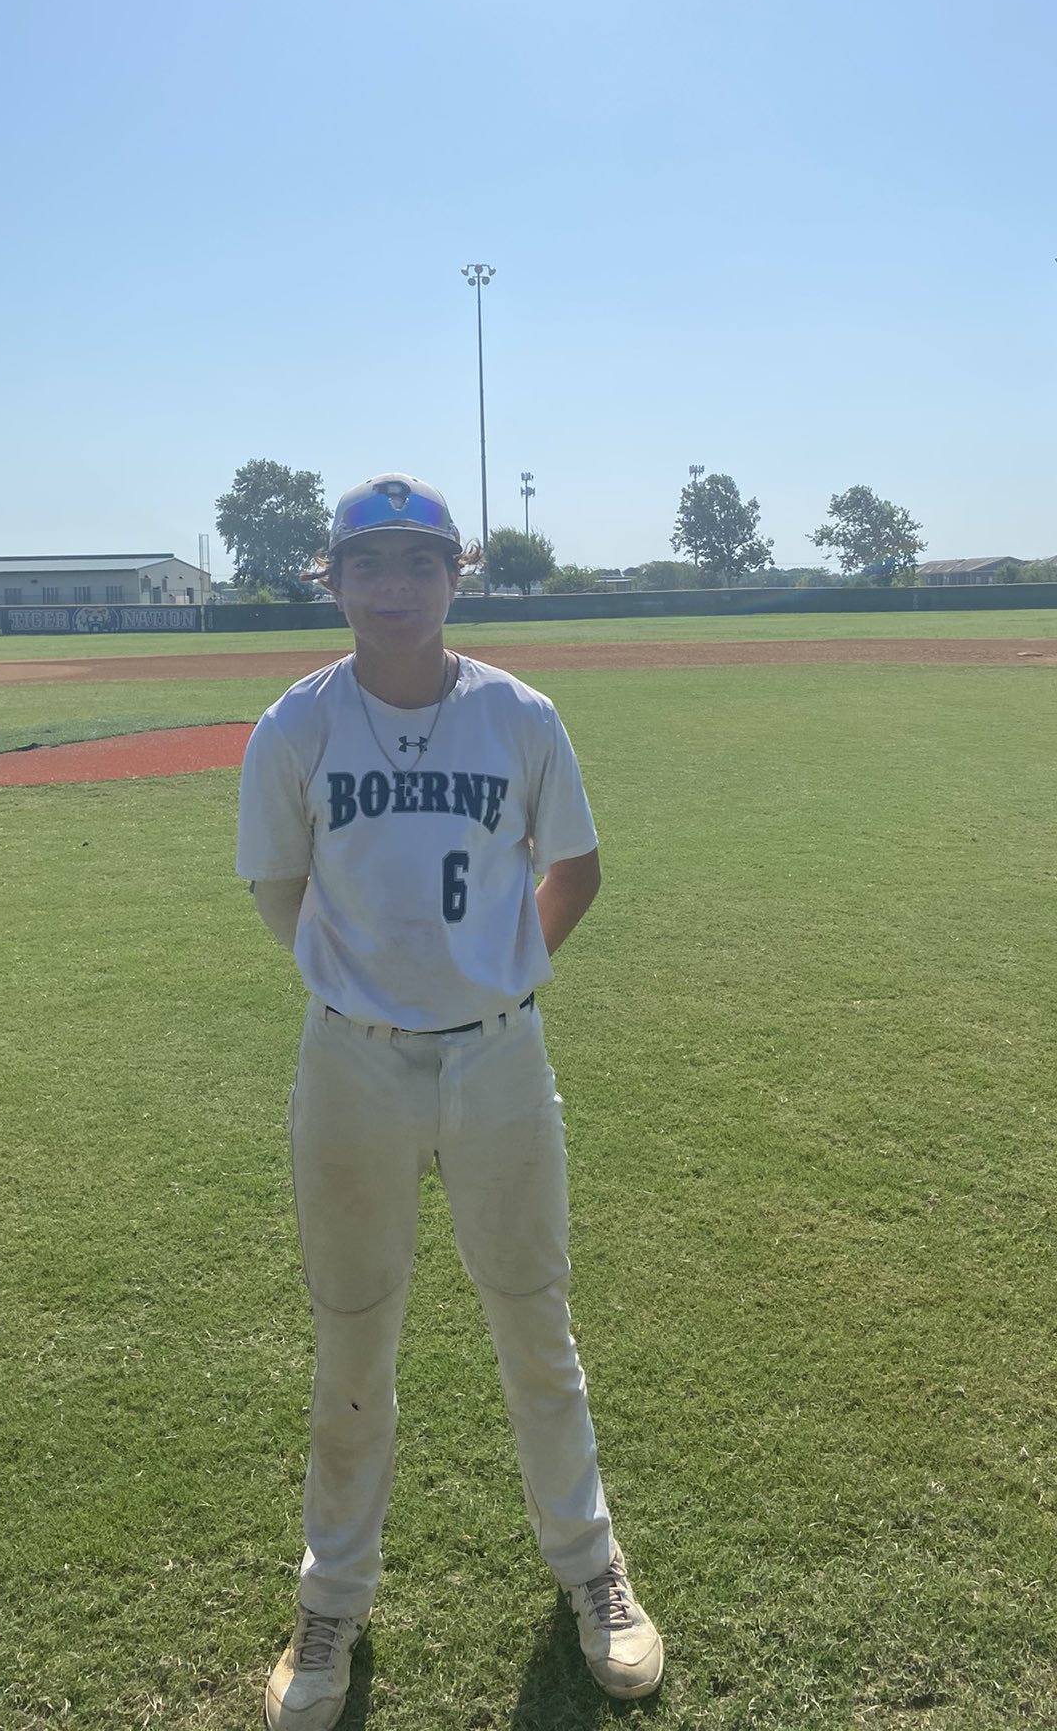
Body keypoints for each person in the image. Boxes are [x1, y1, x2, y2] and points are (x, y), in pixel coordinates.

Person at [237, 474, 663, 1731]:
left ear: (454, 575)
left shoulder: (519, 715)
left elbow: (576, 865)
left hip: (498, 1059)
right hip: (352, 1064)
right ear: (332, 579)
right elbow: (278, 886)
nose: (395, 586)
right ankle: (330, 1600)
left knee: (535, 1319)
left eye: (419, 562)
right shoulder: (295, 725)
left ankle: (591, 1567)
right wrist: (366, 987)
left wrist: (497, 973)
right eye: (369, 563)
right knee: (352, 1335)